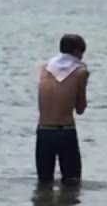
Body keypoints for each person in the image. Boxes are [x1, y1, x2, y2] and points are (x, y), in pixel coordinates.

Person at [36, 34, 90, 186]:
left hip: (43, 131)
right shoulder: (81, 72)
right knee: (72, 183)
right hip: (64, 131)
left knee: (43, 183)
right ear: (77, 52)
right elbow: (80, 108)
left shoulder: (44, 67)